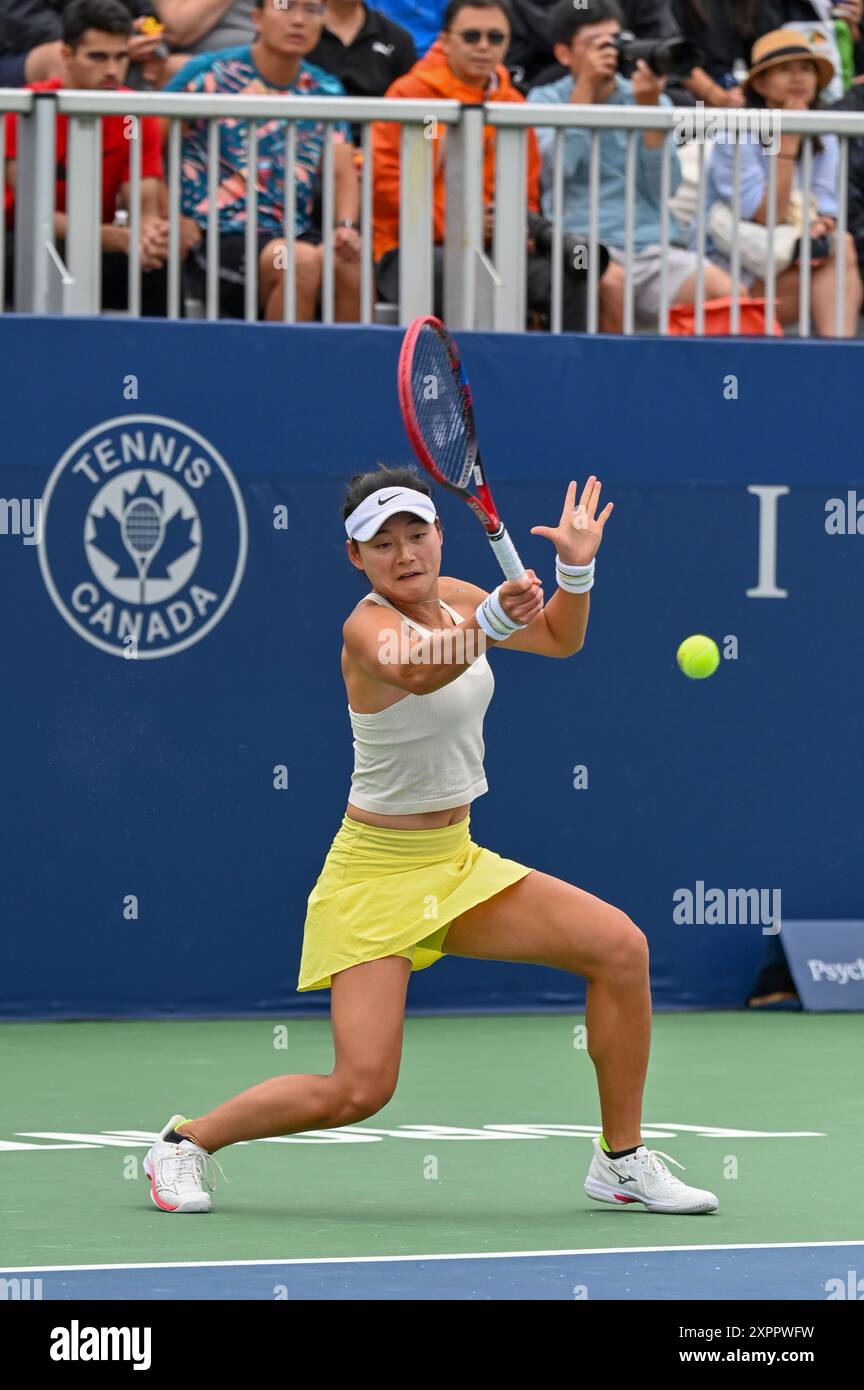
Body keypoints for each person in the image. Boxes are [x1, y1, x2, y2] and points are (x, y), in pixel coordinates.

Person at [143, 463, 720, 1217]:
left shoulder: (459, 599)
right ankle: (185, 1144)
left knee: (620, 948)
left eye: (418, 533)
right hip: (374, 876)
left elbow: (559, 640)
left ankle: (621, 1160)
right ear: (356, 558)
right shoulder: (367, 627)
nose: (406, 553)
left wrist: (575, 571)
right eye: (383, 544)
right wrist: (494, 625)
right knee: (360, 1089)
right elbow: (416, 671)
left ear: (441, 535)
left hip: (455, 861)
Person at [372, 0, 601, 331]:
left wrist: (516, 227)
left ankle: (564, 377)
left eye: (495, 38)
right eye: (471, 36)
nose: (483, 46)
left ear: (508, 43)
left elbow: (528, 193)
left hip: (496, 247)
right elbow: (385, 189)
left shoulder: (514, 104)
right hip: (408, 246)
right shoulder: (409, 95)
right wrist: (461, 222)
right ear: (446, 40)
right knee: (459, 275)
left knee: (571, 274)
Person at [528, 0, 735, 332]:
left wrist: (650, 109)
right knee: (613, 285)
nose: (610, 51)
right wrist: (583, 94)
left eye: (616, 39)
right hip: (580, 248)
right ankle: (615, 383)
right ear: (564, 54)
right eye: (596, 43)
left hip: (650, 248)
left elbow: (664, 187)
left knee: (727, 294)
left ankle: (723, 384)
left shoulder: (647, 96)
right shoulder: (544, 101)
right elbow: (557, 172)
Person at [165, 0, 362, 321]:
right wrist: (169, 213)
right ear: (256, 18)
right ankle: (283, 372)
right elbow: (147, 142)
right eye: (285, 7)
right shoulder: (208, 75)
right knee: (299, 261)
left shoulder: (325, 89)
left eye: (311, 10)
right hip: (219, 235)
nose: (298, 20)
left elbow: (342, 173)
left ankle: (353, 372)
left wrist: (346, 227)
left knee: (351, 262)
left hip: (292, 231)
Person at [3, 0, 169, 315]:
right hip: (22, 239)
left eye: (121, 57)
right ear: (66, 55)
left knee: (155, 264)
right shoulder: (26, 110)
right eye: (98, 57)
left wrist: (150, 235)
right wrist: (114, 238)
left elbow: (145, 204)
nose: (112, 70)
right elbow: (34, 215)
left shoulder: (135, 113)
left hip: (98, 242)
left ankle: (157, 363)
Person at [700, 28, 863, 335]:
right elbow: (767, 218)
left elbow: (826, 209)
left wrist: (821, 225)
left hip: (796, 264)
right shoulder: (734, 134)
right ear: (760, 84)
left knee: (840, 244)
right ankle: (840, 368)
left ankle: (837, 363)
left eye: (806, 69)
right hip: (737, 277)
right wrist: (786, 147)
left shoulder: (824, 135)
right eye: (784, 70)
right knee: (838, 252)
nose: (798, 78)